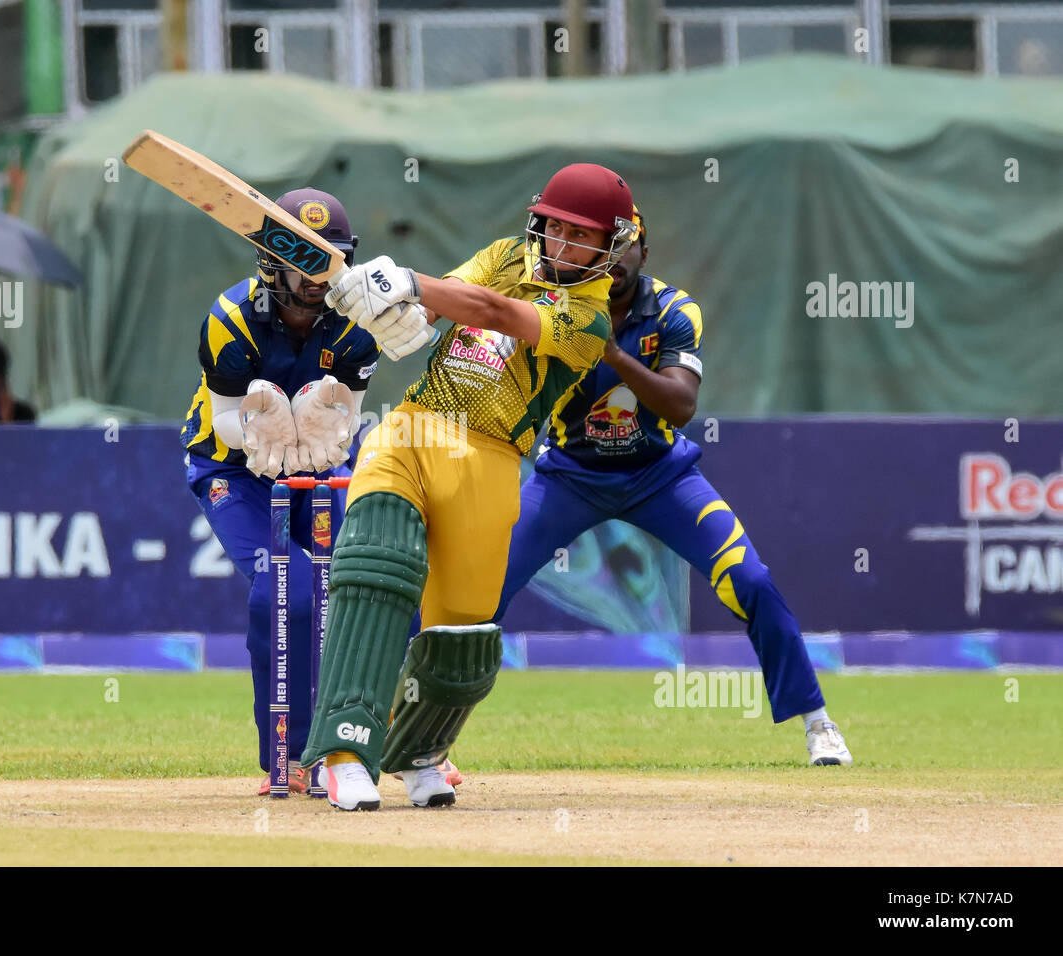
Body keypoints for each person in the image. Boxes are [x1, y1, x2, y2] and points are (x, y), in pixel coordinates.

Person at [301, 164, 637, 810]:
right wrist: (394, 306)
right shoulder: (509, 254)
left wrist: (406, 281)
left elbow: (493, 311)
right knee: (375, 566)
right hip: (418, 427)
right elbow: (458, 291)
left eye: (581, 236)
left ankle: (420, 753)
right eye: (556, 227)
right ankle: (344, 754)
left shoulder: (593, 323)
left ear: (610, 247)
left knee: (462, 633)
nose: (563, 244)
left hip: (491, 459)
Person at [494, 206, 852, 767]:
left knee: (750, 579)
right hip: (569, 473)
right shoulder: (548, 305)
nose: (612, 263)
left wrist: (608, 351)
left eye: (624, 247)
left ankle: (818, 722)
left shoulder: (673, 311)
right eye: (599, 247)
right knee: (480, 588)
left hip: (658, 475)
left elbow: (682, 404)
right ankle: (424, 735)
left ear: (642, 248)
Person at [181, 189, 380, 796]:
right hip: (233, 469)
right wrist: (255, 428)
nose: (319, 275)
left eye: (331, 258)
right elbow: (223, 424)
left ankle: (389, 745)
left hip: (314, 468)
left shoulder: (359, 322)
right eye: (304, 259)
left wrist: (330, 429)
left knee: (358, 586)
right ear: (272, 258)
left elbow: (344, 420)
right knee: (285, 590)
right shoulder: (230, 318)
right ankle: (291, 755)